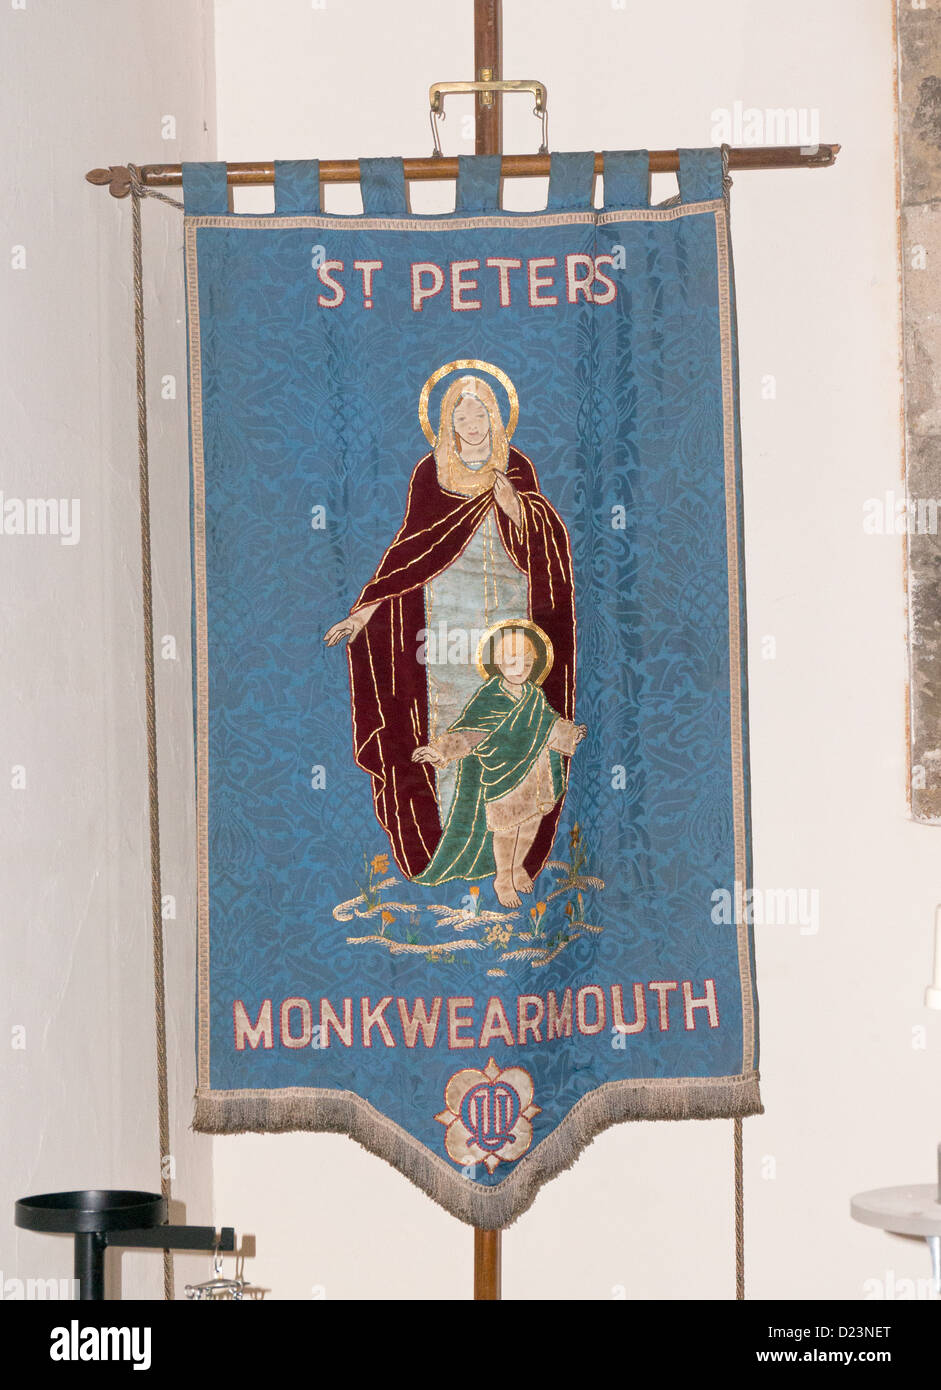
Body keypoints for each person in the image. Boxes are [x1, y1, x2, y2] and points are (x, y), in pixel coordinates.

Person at [323, 373, 577, 884]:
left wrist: (517, 511)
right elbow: (408, 556)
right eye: (461, 416)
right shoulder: (430, 474)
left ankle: (511, 861)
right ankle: (450, 847)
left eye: (480, 413)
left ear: (495, 418)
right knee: (452, 728)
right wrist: (366, 611)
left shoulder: (516, 469)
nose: (472, 424)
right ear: (447, 422)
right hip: (439, 633)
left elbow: (548, 552)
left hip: (508, 626)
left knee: (515, 729)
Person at [411, 624, 586, 908]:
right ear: (499, 663)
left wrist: (570, 733)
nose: (519, 668)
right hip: (503, 773)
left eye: (526, 662)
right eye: (512, 661)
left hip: (536, 772)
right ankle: (503, 877)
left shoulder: (534, 695)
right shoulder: (489, 697)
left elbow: (548, 724)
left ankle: (517, 867)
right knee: (506, 828)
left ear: (534, 665)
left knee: (530, 823)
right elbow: (470, 732)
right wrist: (438, 749)